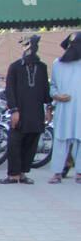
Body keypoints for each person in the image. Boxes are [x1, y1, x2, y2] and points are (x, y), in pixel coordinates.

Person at [2, 35, 52, 184]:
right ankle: (13, 174)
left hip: (36, 112)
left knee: (31, 143)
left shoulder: (42, 67)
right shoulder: (15, 67)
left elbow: (45, 90)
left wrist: (49, 108)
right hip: (20, 111)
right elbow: (10, 89)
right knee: (14, 142)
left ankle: (23, 173)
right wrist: (14, 110)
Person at [48, 31, 80, 183]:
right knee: (61, 139)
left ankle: (79, 173)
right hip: (64, 108)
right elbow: (52, 86)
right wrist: (56, 96)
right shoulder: (57, 64)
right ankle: (57, 172)